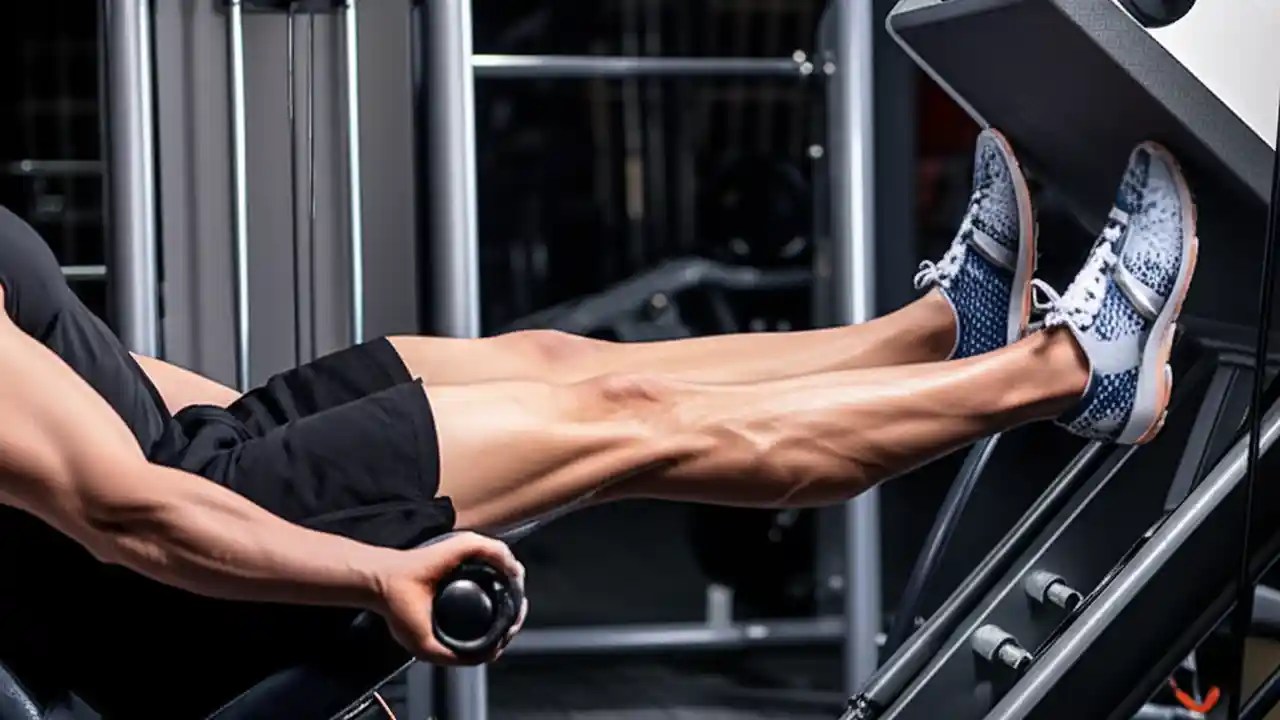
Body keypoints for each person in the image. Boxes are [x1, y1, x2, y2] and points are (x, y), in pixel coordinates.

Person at [0, 128, 1196, 718]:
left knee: (556, 360)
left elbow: (87, 367)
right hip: (175, 586)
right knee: (626, 424)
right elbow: (122, 513)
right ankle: (1062, 374)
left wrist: (273, 419)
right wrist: (375, 569)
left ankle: (943, 331)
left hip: (202, 452)